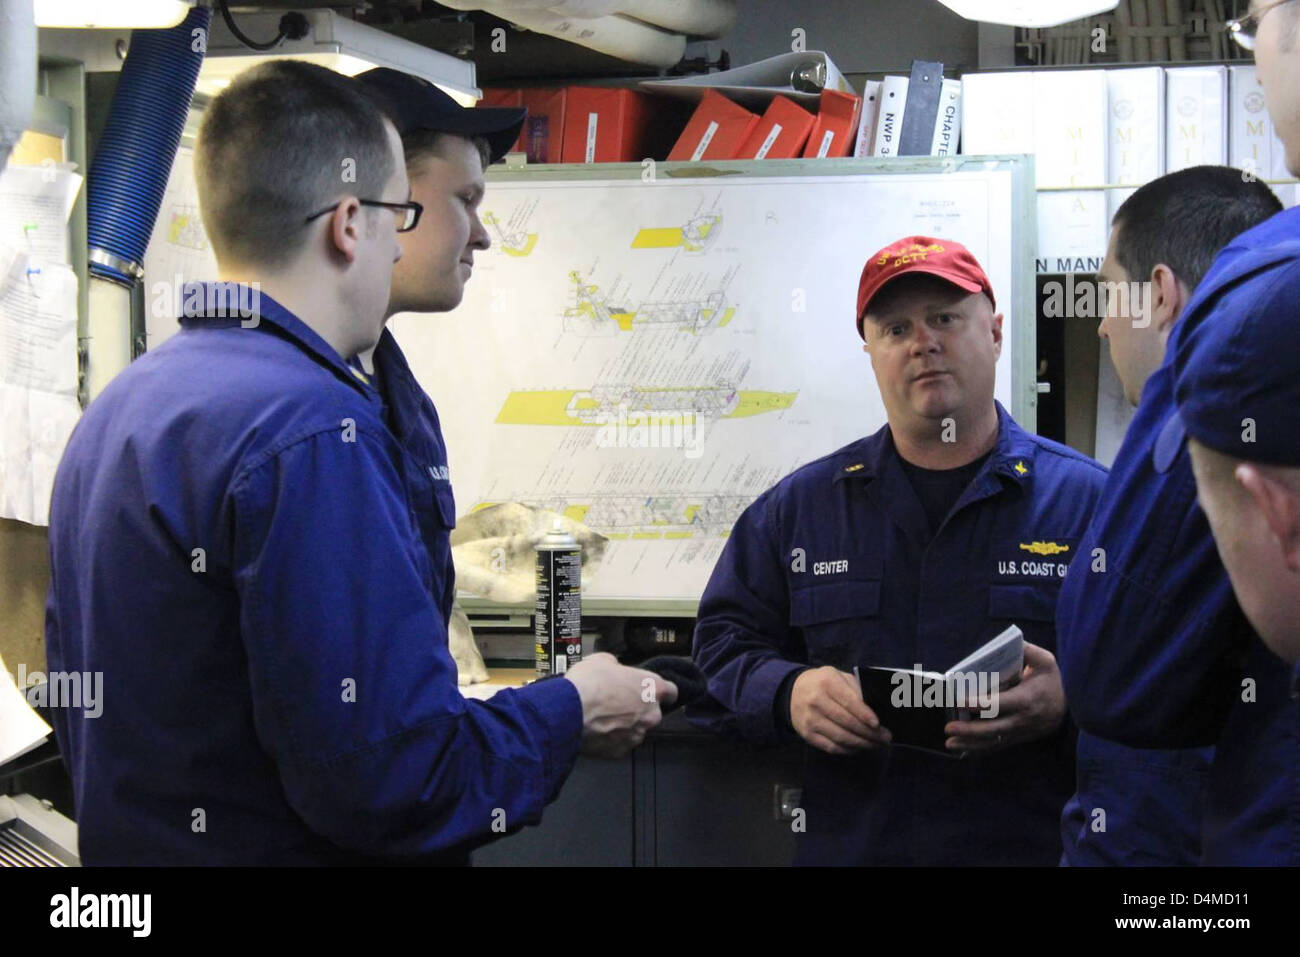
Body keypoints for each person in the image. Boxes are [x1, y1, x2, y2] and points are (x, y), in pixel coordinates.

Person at [43, 60, 673, 866]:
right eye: (397, 212)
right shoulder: (312, 430)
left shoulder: (121, 408)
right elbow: (392, 781)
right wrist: (569, 710)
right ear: (349, 225)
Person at [691, 236, 1107, 865]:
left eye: (945, 318)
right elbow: (722, 640)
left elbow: (1166, 674)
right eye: (895, 328)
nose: (923, 342)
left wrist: (1071, 701)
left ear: (995, 334)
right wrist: (788, 691)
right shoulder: (801, 510)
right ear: (871, 353)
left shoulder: (1091, 504)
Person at [1058, 0, 1300, 864]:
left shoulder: (1207, 386)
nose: (1098, 327)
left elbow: (1112, 675)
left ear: (1161, 295)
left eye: (1108, 295)